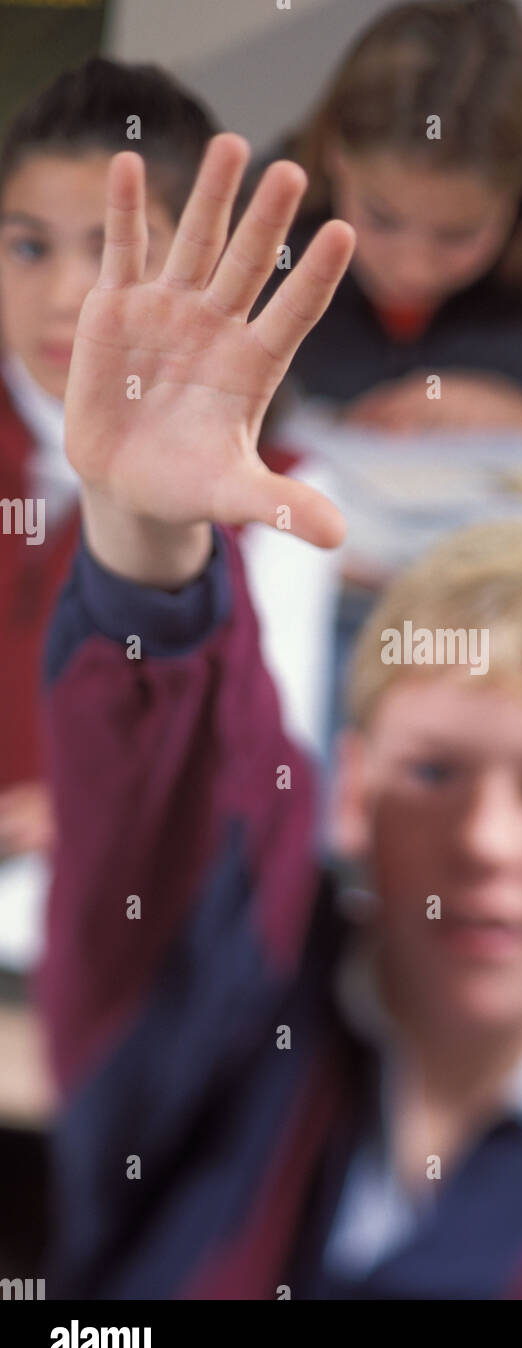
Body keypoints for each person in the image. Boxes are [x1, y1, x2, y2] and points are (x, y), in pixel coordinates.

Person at [38, 133, 522, 1299]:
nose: (485, 841)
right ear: (349, 792)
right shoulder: (226, 1023)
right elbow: (166, 803)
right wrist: (148, 544)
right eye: (432, 774)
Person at [0, 62, 332, 882]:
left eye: (118, 250)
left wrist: (98, 797)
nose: (67, 293)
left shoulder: (269, 485)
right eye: (28, 245)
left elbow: (269, 773)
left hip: (108, 902)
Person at [252, 0, 522, 462]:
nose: (413, 270)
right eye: (381, 218)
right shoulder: (255, 220)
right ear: (334, 155)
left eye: (458, 235)